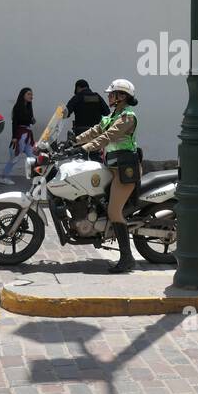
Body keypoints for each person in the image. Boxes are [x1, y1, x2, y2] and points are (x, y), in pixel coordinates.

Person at [76, 79, 142, 273]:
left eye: (112, 94)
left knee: (114, 211)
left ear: (122, 96)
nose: (109, 96)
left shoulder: (127, 117)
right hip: (111, 167)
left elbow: (108, 136)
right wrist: (73, 141)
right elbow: (97, 130)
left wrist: (85, 148)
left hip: (124, 169)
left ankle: (127, 258)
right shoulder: (112, 115)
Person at [0, 87, 35, 186]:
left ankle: (35, 179)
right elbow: (14, 123)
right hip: (20, 136)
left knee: (32, 157)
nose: (31, 96)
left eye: (31, 94)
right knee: (14, 158)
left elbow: (28, 121)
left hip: (27, 135)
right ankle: (4, 177)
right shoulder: (18, 107)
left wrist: (32, 120)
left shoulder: (28, 107)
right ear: (23, 95)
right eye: (28, 94)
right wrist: (14, 137)